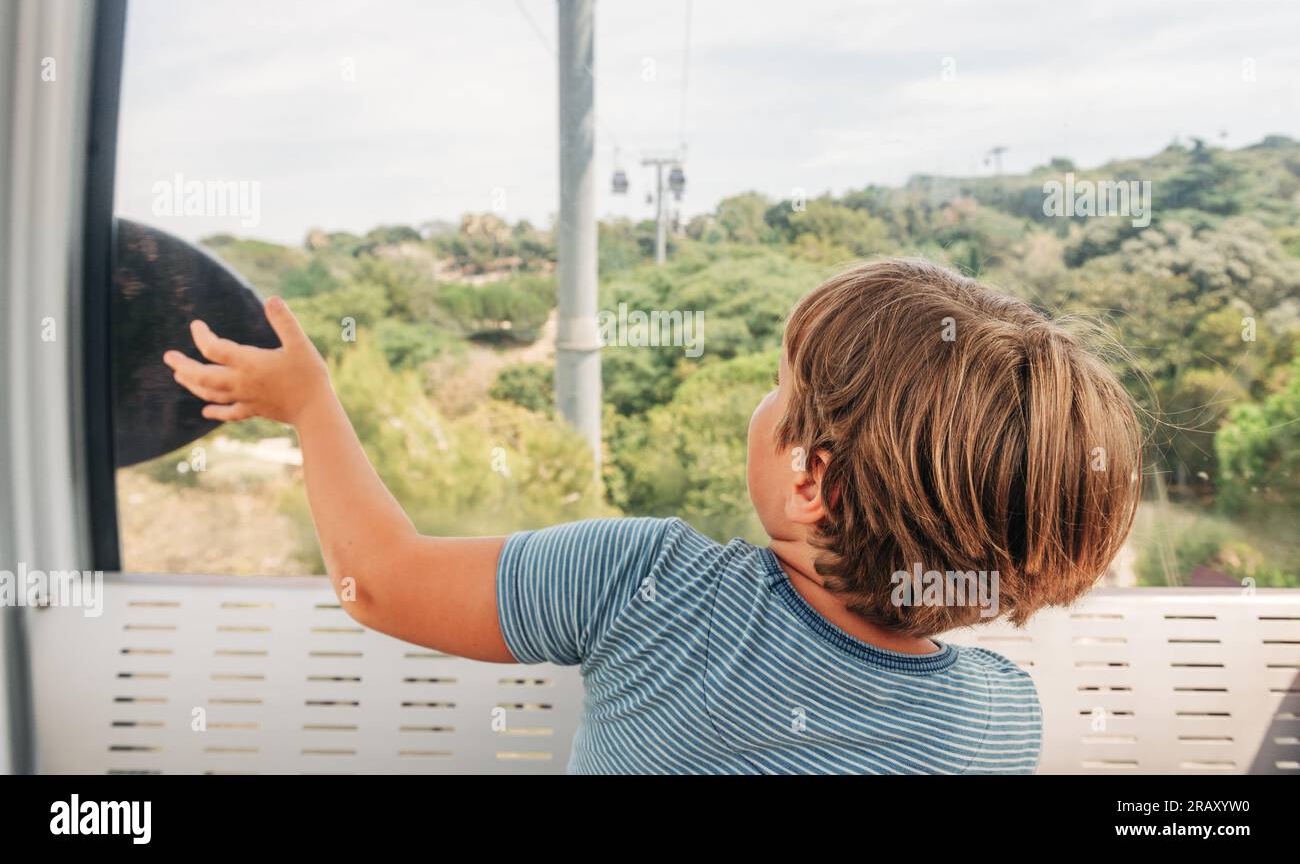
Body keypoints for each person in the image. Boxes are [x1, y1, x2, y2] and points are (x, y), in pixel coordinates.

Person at [163, 257, 1141, 774]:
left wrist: (309, 405)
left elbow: (376, 581)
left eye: (777, 386)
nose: (759, 404)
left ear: (814, 484)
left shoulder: (647, 586)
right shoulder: (1002, 725)